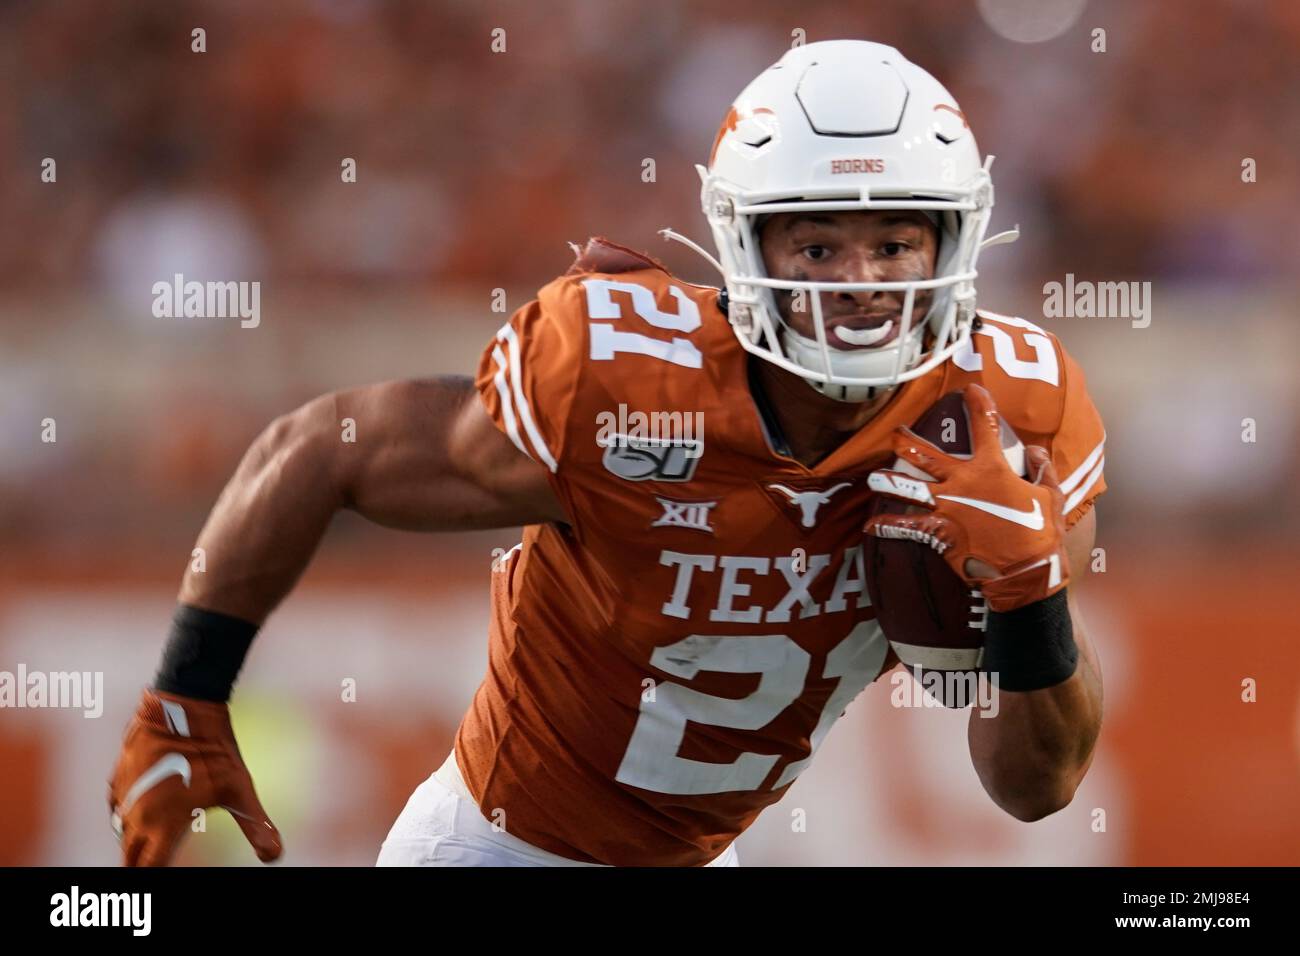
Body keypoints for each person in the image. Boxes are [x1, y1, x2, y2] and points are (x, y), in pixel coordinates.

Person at [109, 39, 1106, 868]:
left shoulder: (1009, 419)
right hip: (496, 849)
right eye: (816, 248)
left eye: (893, 246)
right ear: (747, 251)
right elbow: (321, 445)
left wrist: (1031, 598)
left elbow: (1035, 786)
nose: (860, 283)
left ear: (951, 245)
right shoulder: (615, 380)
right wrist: (188, 691)